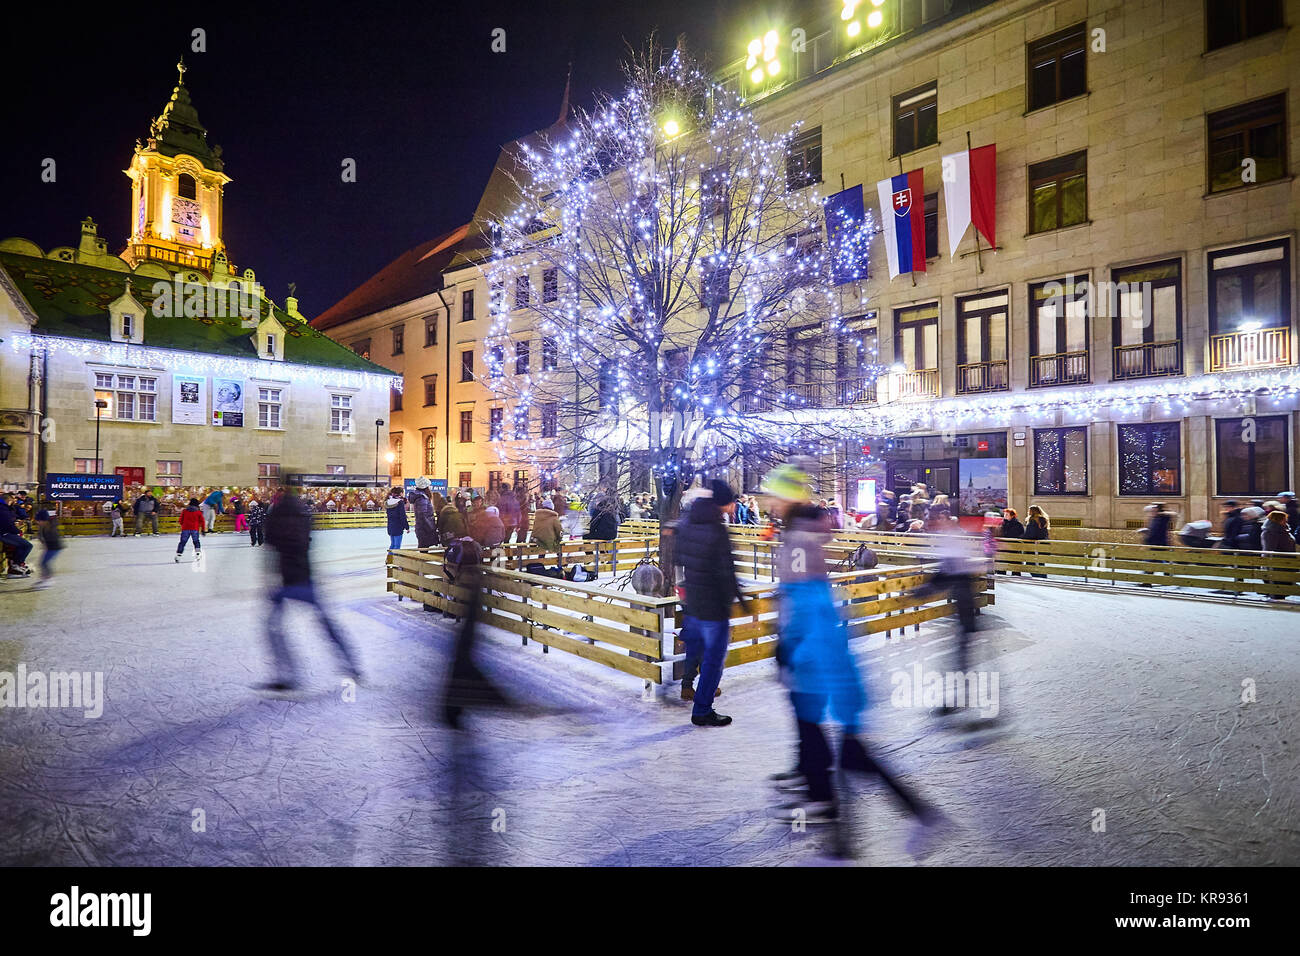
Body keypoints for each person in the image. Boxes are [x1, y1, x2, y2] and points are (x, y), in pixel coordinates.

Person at [258, 482, 361, 692]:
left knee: (275, 628)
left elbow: (272, 544)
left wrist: (269, 576)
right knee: (324, 623)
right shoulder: (303, 513)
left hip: (288, 578)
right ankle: (351, 664)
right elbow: (305, 541)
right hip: (304, 575)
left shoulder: (278, 515)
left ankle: (288, 674)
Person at [675, 479, 748, 727]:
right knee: (714, 659)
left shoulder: (687, 522)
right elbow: (726, 570)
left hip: (693, 601)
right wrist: (738, 598)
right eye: (729, 502)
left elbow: (678, 555)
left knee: (695, 648)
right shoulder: (716, 529)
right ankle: (703, 709)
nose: (731, 507)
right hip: (713, 606)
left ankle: (689, 688)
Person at [0, 493, 35, 576]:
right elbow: (7, 523)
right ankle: (15, 566)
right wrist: (17, 531)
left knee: (20, 545)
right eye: (12, 501)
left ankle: (18, 565)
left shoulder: (5, 508)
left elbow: (10, 519)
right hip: (3, 533)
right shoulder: (2, 509)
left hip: (5, 532)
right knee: (27, 545)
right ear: (8, 500)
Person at [32, 509, 63, 588]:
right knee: (43, 563)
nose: (38, 522)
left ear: (44, 520)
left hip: (54, 547)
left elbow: (52, 539)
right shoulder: (43, 526)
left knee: (44, 563)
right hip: (50, 547)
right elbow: (41, 536)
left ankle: (48, 579)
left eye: (39, 521)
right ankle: (44, 578)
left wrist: (46, 545)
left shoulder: (50, 527)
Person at [409, 477, 438, 549]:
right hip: (425, 529)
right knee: (424, 549)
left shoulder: (421, 497)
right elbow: (422, 515)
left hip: (423, 528)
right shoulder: (422, 498)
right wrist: (430, 527)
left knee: (423, 548)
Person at [1022, 504, 1050, 578]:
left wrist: (1022, 537)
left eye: (1029, 511)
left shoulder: (1032, 520)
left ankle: (1039, 577)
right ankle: (1043, 577)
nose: (1028, 512)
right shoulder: (1043, 520)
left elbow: (1030, 534)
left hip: (1033, 546)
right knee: (1041, 563)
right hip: (1043, 545)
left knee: (1029, 563)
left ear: (1032, 511)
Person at [175, 497, 205, 563]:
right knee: (196, 541)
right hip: (194, 529)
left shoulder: (185, 511)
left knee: (182, 542)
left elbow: (180, 520)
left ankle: (178, 555)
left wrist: (183, 524)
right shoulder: (198, 512)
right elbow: (202, 521)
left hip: (185, 528)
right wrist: (203, 529)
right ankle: (197, 554)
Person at [386, 487, 409, 551]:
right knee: (397, 546)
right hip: (398, 527)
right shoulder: (400, 502)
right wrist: (407, 527)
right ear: (401, 493)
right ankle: (395, 560)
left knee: (393, 544)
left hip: (390, 526)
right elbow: (402, 516)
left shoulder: (388, 502)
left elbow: (391, 514)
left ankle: (389, 559)